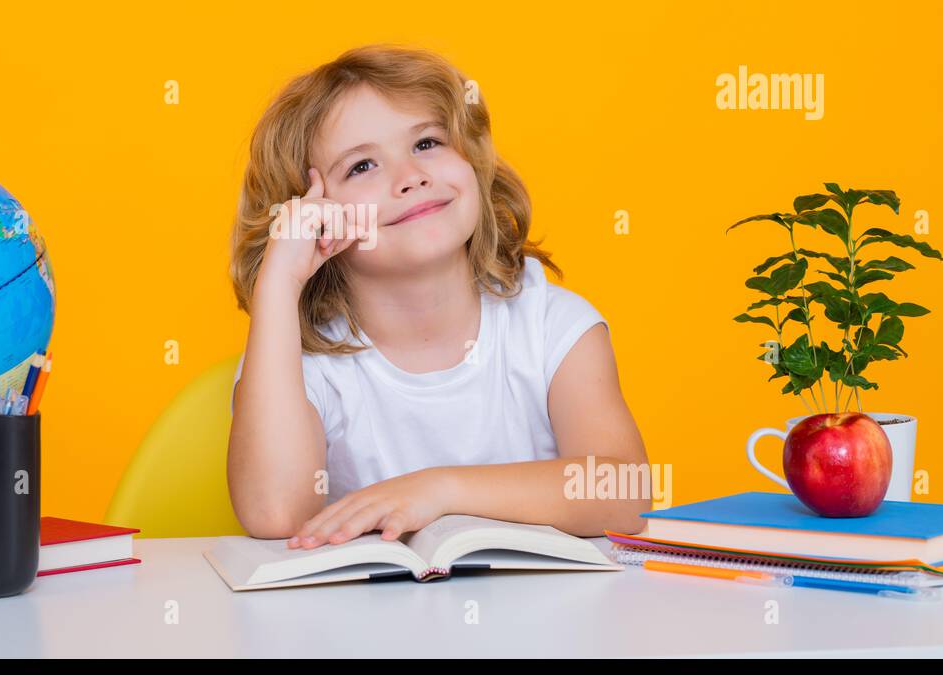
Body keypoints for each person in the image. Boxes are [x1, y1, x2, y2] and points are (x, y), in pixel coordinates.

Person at [227, 44, 649, 548]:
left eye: (427, 143)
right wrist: (278, 285)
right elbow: (274, 513)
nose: (411, 178)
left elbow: (626, 494)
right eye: (361, 166)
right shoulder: (292, 362)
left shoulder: (552, 325)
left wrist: (438, 489)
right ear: (310, 213)